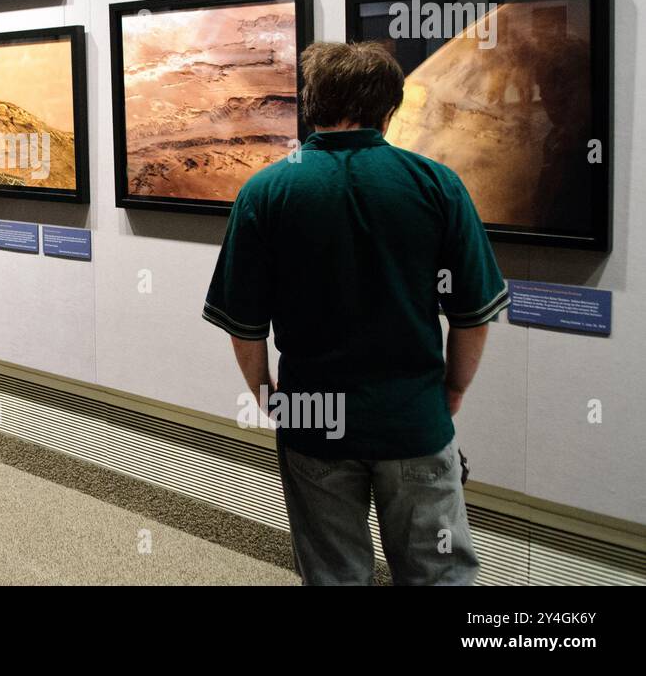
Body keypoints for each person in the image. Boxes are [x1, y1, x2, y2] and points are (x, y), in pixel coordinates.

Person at [202, 42, 508, 586]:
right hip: (413, 419)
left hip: (313, 418)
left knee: (333, 573)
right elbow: (471, 314)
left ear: (311, 104)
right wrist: (452, 392)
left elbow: (245, 323)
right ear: (389, 108)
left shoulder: (266, 190)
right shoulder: (437, 184)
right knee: (438, 575)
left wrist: (265, 394)